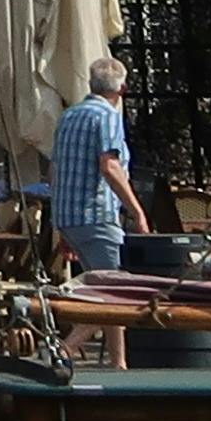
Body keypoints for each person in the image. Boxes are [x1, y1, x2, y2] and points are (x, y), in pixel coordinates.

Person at [48, 60, 150, 275]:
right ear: (123, 88)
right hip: (96, 216)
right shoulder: (107, 116)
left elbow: (55, 170)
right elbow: (109, 167)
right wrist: (137, 212)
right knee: (117, 286)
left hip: (68, 219)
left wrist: (60, 226)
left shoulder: (67, 116)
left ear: (90, 83)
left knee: (96, 286)